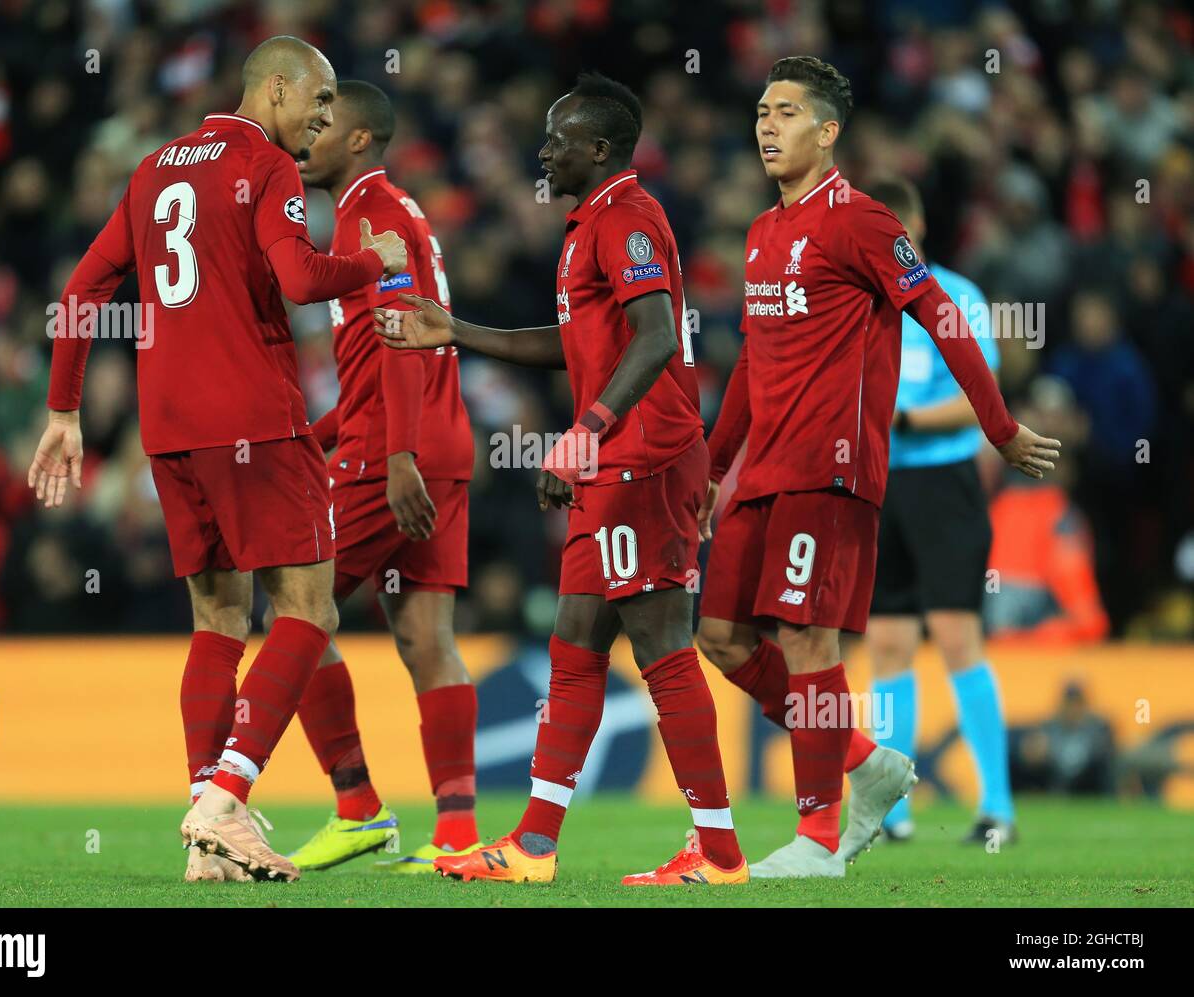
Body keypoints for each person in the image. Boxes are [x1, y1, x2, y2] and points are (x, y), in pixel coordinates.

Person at [27, 36, 408, 882]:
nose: (320, 123)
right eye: (315, 103)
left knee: (218, 623)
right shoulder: (265, 166)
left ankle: (210, 839)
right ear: (275, 89)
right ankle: (227, 796)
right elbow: (305, 279)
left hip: (169, 430)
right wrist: (370, 265)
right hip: (256, 420)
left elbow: (82, 289)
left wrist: (63, 409)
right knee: (309, 610)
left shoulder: (155, 165)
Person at [378, 72, 748, 886]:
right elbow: (581, 341)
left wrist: (586, 432)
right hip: (612, 458)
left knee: (660, 645)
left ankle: (719, 851)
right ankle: (535, 846)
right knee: (576, 641)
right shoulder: (590, 224)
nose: (543, 150)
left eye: (558, 138)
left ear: (600, 148)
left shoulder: (627, 218)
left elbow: (654, 338)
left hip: (643, 456)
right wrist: (457, 330)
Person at [695, 56, 1059, 878]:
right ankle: (865, 757)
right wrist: (714, 471)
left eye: (786, 112)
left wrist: (999, 427)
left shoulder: (860, 220)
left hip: (831, 468)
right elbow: (751, 368)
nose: (766, 124)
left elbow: (941, 315)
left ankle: (820, 837)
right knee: (718, 636)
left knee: (806, 637)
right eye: (760, 109)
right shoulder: (762, 233)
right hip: (760, 474)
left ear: (827, 132)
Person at [270, 80, 481, 874]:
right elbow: (376, 358)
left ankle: (357, 805)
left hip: (392, 451)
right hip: (438, 443)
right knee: (427, 638)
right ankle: (457, 835)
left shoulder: (370, 215)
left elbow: (399, 340)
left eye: (322, 126)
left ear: (359, 140)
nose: (307, 137)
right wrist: (310, 435)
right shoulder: (398, 211)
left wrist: (393, 459)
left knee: (295, 612)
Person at [859, 177, 1014, 847]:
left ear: (917, 226)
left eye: (897, 226)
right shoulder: (857, 305)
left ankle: (996, 809)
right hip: (875, 486)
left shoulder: (954, 297)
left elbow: (982, 394)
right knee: (889, 643)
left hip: (944, 483)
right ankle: (893, 814)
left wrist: (902, 416)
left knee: (955, 635)